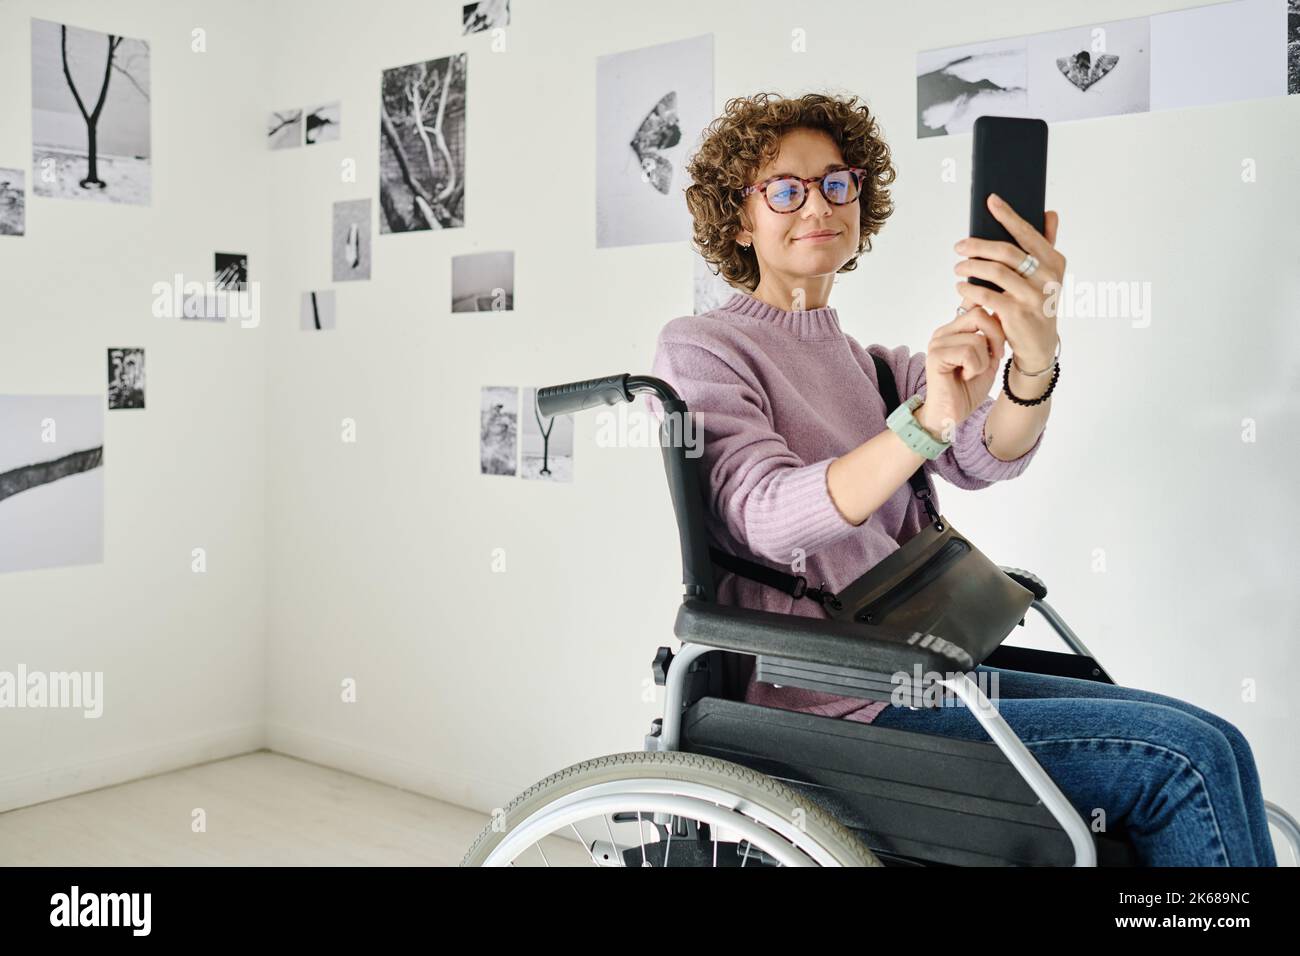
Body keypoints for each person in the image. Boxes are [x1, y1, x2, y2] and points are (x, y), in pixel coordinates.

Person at [648, 91, 1276, 866]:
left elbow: (989, 454)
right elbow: (768, 516)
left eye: (836, 182)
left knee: (1220, 742)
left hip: (926, 674)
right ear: (740, 220)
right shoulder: (704, 347)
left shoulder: (876, 367)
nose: (817, 203)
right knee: (1184, 764)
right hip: (827, 706)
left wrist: (1032, 357)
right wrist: (925, 421)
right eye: (784, 188)